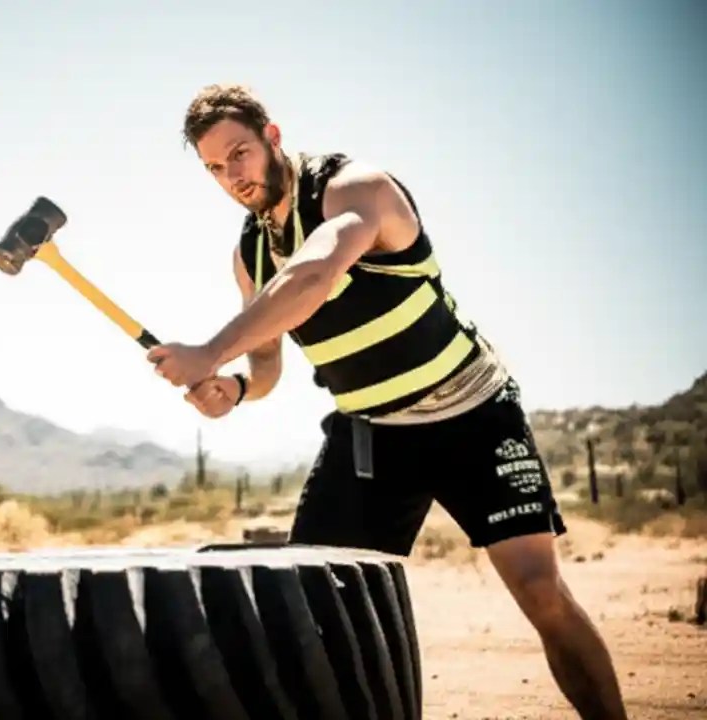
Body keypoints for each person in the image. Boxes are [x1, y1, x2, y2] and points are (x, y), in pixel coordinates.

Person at [145, 83, 628, 720]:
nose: (231, 175)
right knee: (312, 601)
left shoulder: (355, 189)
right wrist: (233, 389)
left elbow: (314, 276)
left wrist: (208, 351)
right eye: (214, 167)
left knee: (540, 593)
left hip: (472, 416)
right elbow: (266, 362)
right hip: (371, 435)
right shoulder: (251, 254)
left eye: (239, 153)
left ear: (273, 137)